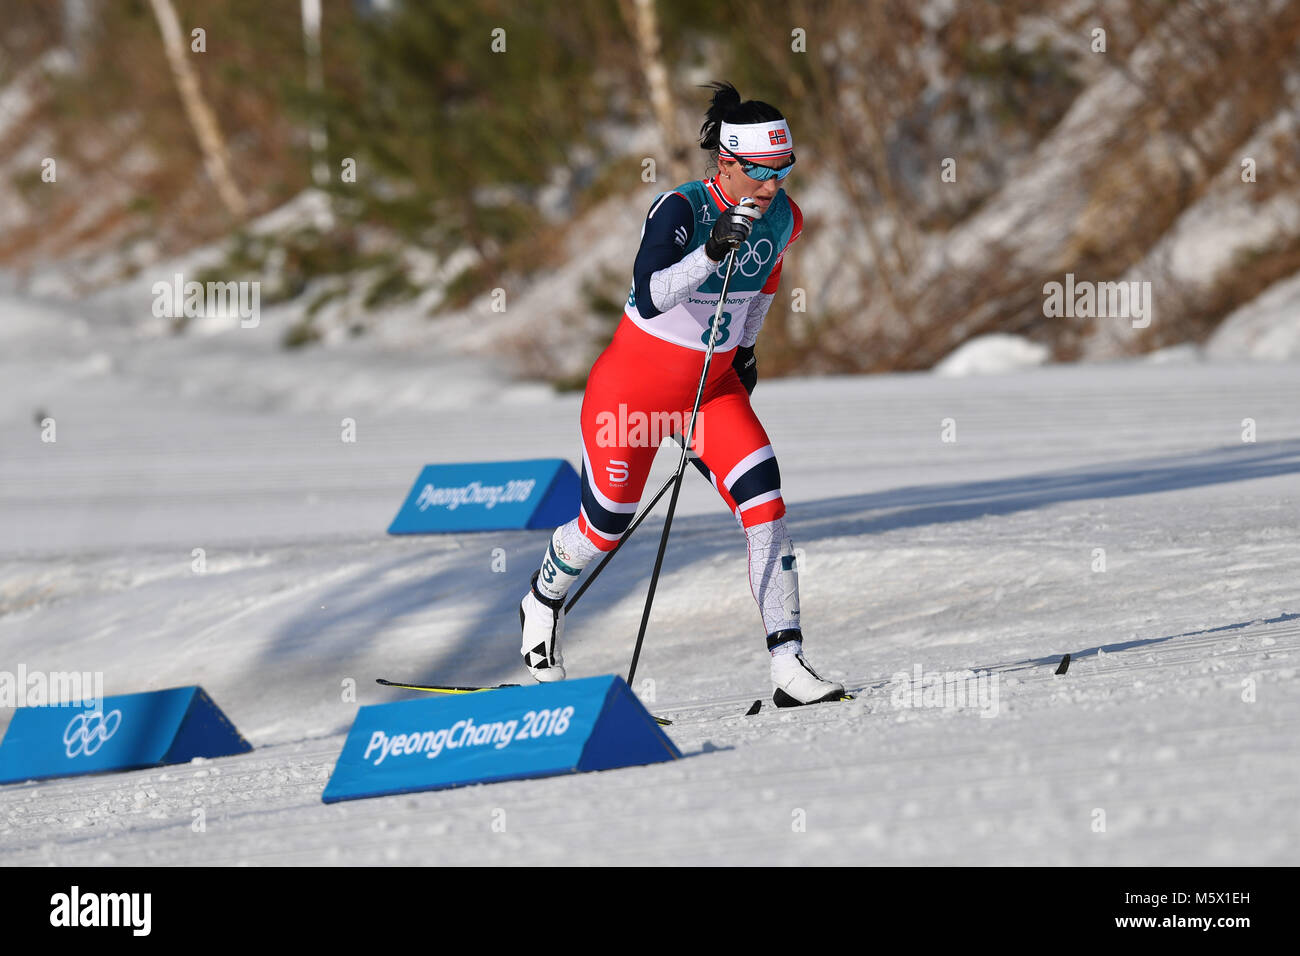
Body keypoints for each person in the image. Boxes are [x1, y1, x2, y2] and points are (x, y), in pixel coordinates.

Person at [518, 81, 844, 707]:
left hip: (710, 392)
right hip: (632, 394)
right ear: (726, 162)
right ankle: (542, 597)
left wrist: (746, 347)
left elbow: (767, 279)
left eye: (784, 171)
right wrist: (713, 249)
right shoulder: (681, 209)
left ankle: (789, 663)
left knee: (766, 505)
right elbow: (648, 295)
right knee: (606, 524)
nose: (774, 186)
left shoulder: (783, 216)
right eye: (761, 172)